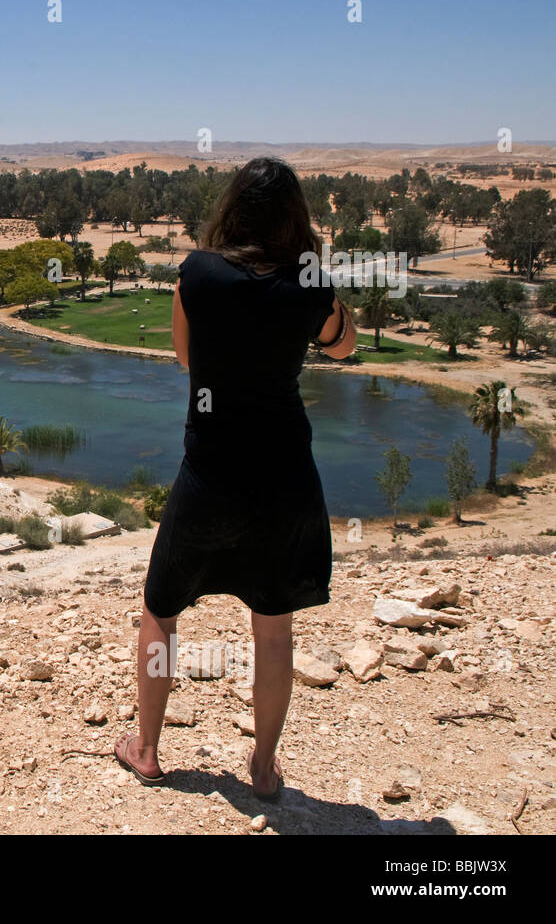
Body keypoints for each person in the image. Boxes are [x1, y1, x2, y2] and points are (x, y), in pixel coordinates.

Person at [115, 157, 356, 801]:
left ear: (232, 209)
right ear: (293, 217)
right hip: (285, 477)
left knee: (161, 612)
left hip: (210, 473)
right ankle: (264, 767)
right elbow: (344, 345)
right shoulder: (310, 284)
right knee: (273, 628)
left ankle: (148, 749)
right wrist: (320, 276)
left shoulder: (197, 272)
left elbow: (185, 356)